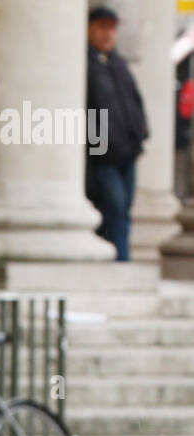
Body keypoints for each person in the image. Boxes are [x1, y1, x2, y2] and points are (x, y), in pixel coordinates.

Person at [85, 5, 149, 261]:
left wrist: (141, 133)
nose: (108, 34)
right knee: (114, 210)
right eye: (102, 27)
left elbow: (134, 101)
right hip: (104, 157)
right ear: (89, 29)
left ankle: (119, 260)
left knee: (122, 212)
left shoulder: (118, 63)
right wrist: (98, 147)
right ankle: (120, 263)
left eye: (112, 28)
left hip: (127, 153)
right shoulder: (87, 64)